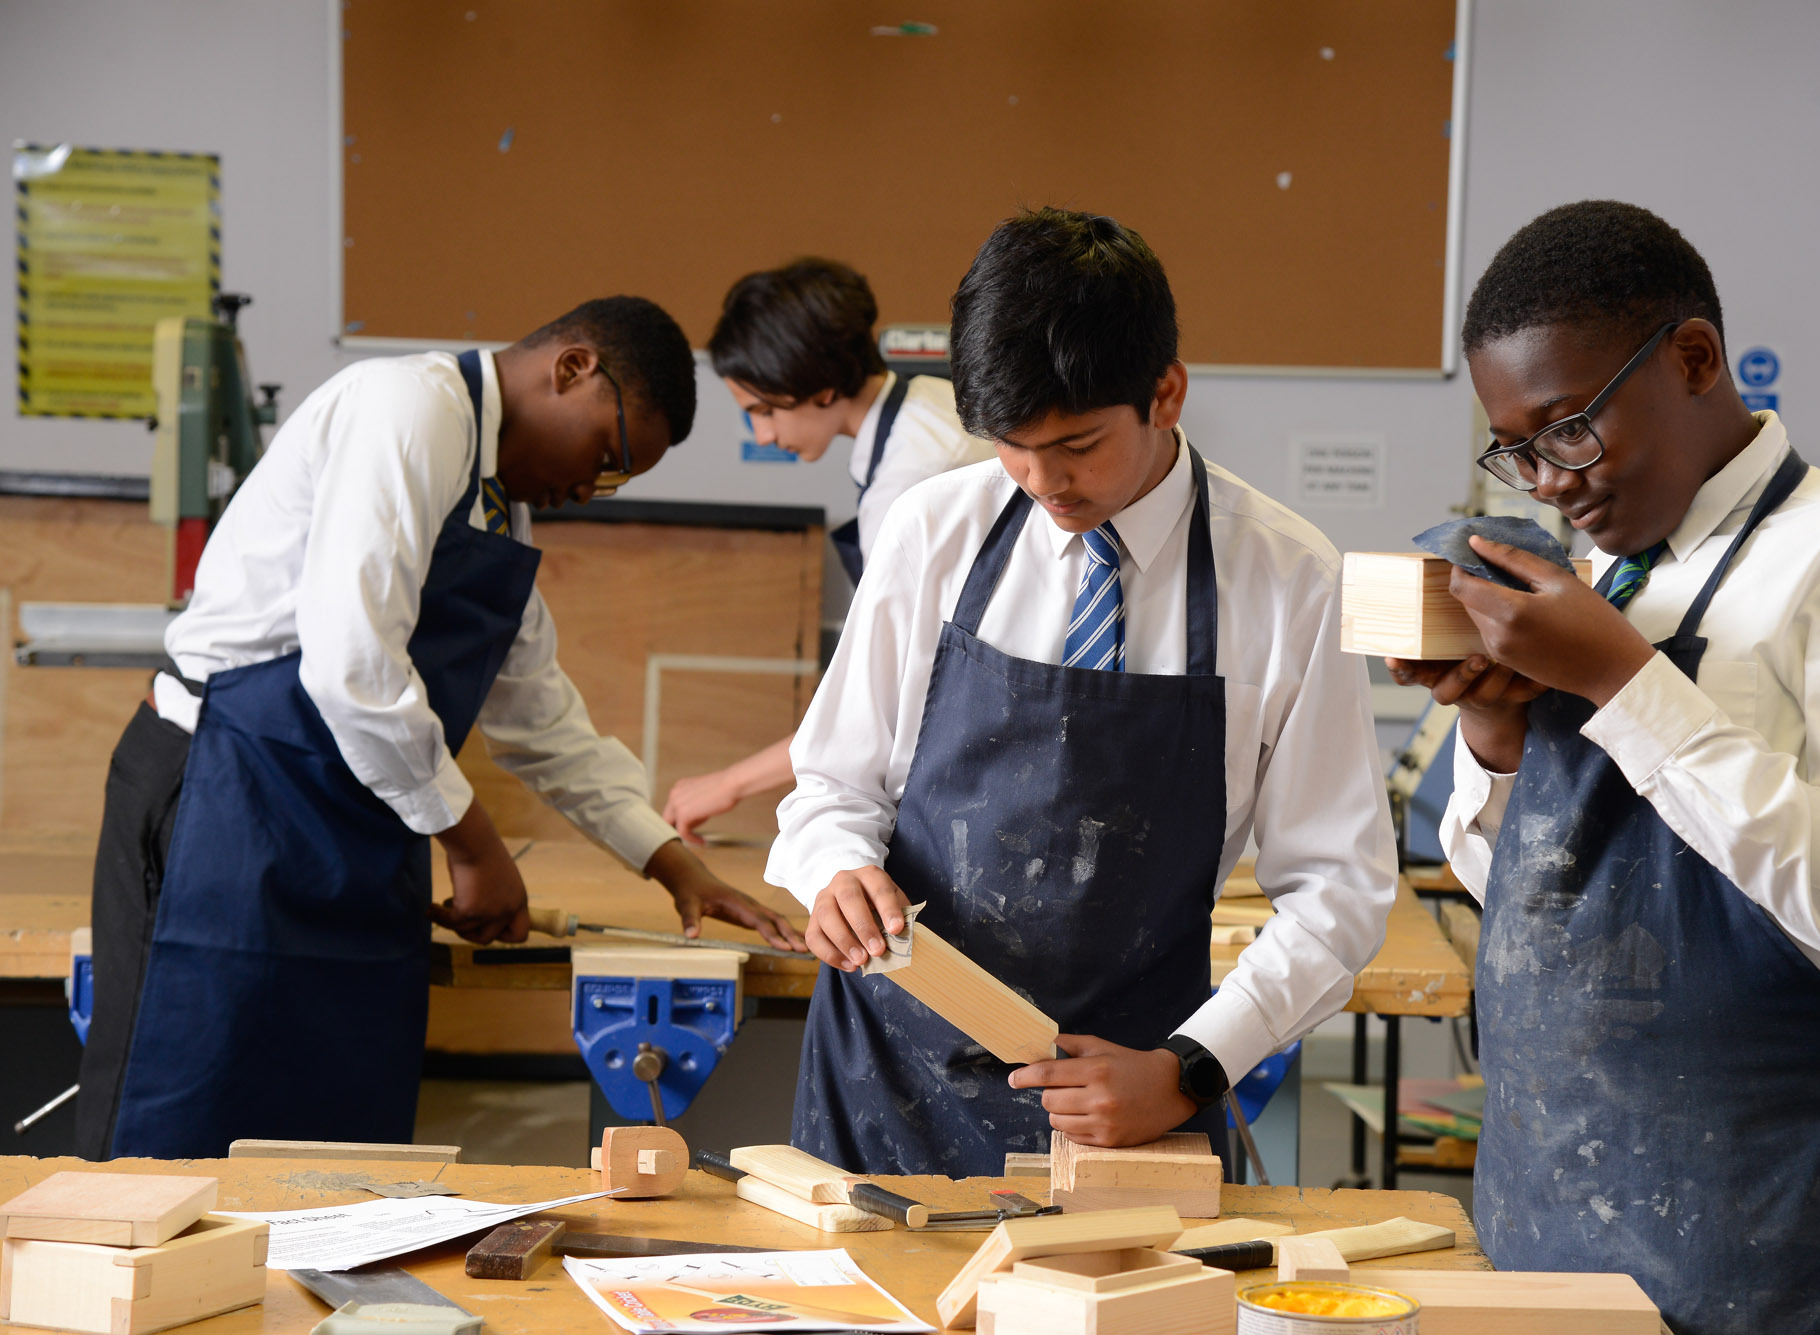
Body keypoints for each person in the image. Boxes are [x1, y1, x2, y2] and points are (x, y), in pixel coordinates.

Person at [1390, 201, 1820, 1334]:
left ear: (1691, 358)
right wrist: (1498, 740)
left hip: (1769, 1224)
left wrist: (1626, 686)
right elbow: (1528, 897)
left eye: (1568, 428)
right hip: (1547, 1205)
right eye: (1516, 451)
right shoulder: (1600, 580)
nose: (1550, 481)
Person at [76, 295, 806, 1161]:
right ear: (572, 368)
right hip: (224, 800)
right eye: (605, 458)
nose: (587, 491)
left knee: (333, 1154)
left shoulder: (497, 505)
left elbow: (538, 714)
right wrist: (470, 843)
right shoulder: (410, 408)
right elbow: (351, 664)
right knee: (177, 1128)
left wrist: (671, 861)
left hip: (337, 825)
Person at [763, 208, 1398, 1176]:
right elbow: (831, 785)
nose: (1042, 480)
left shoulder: (1286, 578)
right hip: (884, 1085)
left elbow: (1337, 888)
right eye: (1011, 447)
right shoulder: (936, 529)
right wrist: (833, 871)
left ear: (1167, 394)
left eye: (1077, 445)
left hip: (1129, 1098)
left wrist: (1192, 1068)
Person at [661, 259, 991, 846]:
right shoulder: (930, 404)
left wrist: (730, 784)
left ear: (820, 386)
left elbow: (880, 696)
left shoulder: (909, 479)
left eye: (764, 410)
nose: (762, 435)